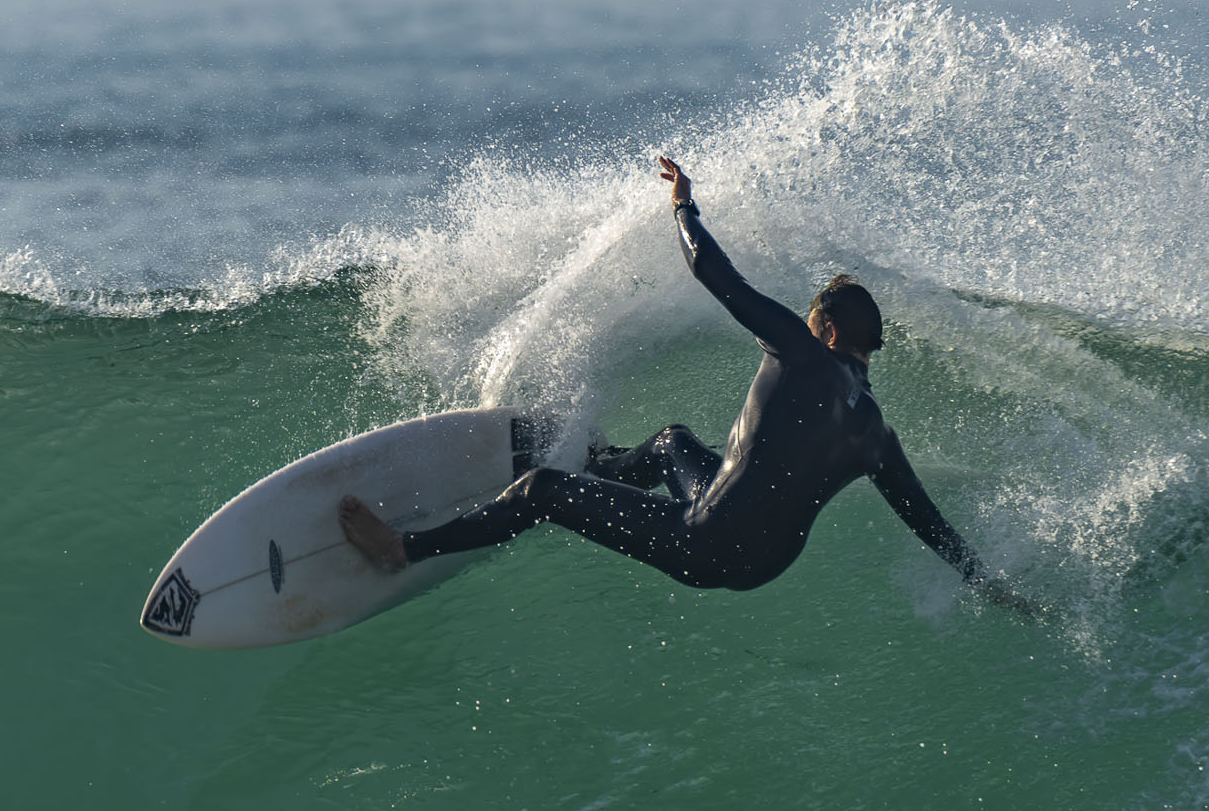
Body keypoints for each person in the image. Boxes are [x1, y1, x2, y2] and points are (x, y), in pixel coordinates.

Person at [339, 156, 1036, 612]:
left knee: (542, 492)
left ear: (824, 329)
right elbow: (929, 523)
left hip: (704, 539)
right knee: (673, 442)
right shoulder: (877, 433)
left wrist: (684, 207)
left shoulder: (802, 352)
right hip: (761, 565)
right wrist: (988, 585)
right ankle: (600, 469)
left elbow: (712, 271)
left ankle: (405, 549)